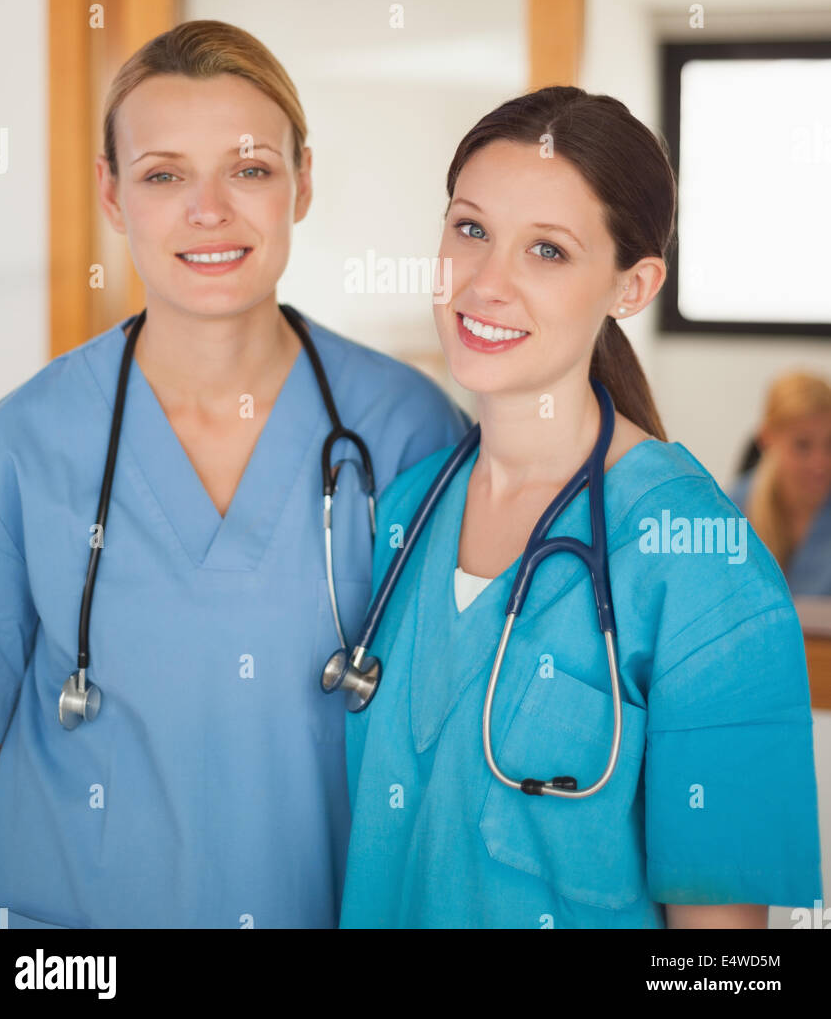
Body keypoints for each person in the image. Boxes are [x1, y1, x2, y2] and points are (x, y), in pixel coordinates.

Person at [0, 19, 467, 929]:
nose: (209, 211)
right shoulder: (12, 450)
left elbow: (447, 742)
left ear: (301, 183)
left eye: (249, 169)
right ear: (113, 196)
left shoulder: (407, 430)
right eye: (163, 175)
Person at [338, 86, 823, 930]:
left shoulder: (702, 564)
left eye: (549, 251)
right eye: (471, 228)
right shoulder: (406, 514)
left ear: (632, 287)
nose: (486, 283)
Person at [728, 373, 831, 597]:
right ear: (767, 438)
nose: (820, 462)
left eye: (830, 444)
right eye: (803, 445)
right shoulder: (731, 511)